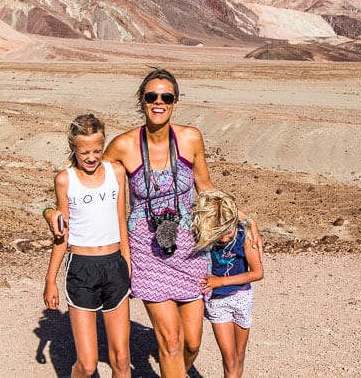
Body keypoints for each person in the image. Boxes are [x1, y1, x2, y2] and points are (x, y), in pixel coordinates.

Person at [44, 68, 261, 377]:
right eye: (152, 96)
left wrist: (244, 218)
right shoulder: (123, 145)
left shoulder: (190, 139)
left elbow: (206, 187)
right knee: (171, 342)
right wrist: (49, 211)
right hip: (147, 252)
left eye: (166, 97)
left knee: (191, 343)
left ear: (175, 102)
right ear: (142, 101)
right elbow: (87, 175)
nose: (159, 102)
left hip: (190, 251)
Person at [42, 114, 131, 378]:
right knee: (88, 364)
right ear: (73, 149)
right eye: (84, 153)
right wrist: (50, 279)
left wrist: (127, 263)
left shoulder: (116, 173)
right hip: (81, 269)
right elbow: (62, 234)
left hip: (114, 266)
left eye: (97, 150)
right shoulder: (64, 180)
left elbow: (121, 219)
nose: (91, 157)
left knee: (122, 359)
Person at [193, 189, 264, 378]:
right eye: (220, 235)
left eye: (228, 234)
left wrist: (220, 281)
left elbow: (257, 273)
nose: (224, 239)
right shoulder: (205, 233)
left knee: (239, 356)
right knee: (230, 359)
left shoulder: (244, 235)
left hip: (242, 297)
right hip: (217, 301)